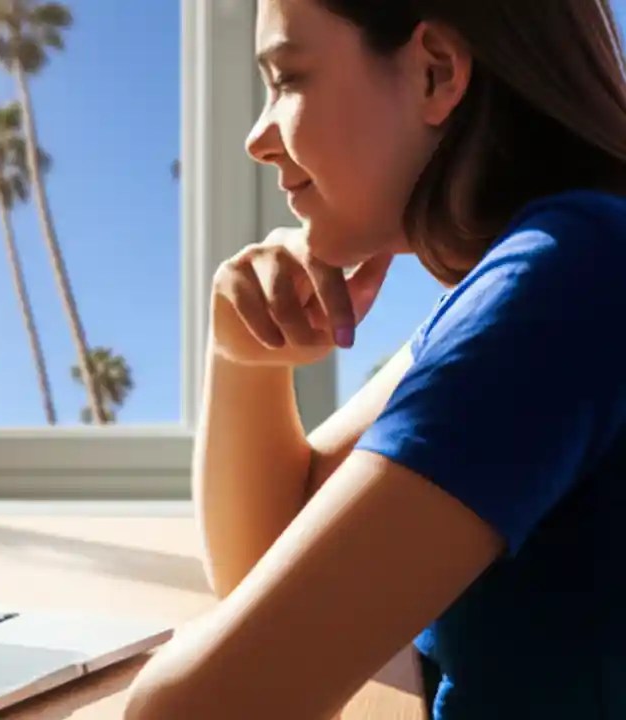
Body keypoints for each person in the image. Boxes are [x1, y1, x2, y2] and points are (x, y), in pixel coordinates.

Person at [124, 0, 626, 718]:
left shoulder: (564, 278)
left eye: (288, 79)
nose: (257, 139)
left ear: (434, 73)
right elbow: (270, 558)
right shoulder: (563, 264)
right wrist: (243, 354)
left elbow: (198, 709)